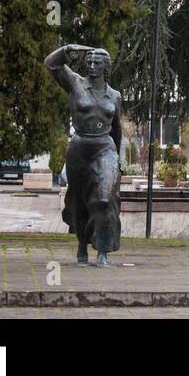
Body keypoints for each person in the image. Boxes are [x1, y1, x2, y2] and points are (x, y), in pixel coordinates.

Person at [45, 43, 122, 266]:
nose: (92, 66)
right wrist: (66, 49)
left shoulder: (114, 96)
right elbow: (51, 64)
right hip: (79, 148)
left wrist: (118, 160)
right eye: (89, 62)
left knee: (104, 199)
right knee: (78, 201)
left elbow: (116, 128)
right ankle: (81, 244)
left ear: (106, 66)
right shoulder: (75, 83)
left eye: (97, 63)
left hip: (105, 148)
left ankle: (103, 250)